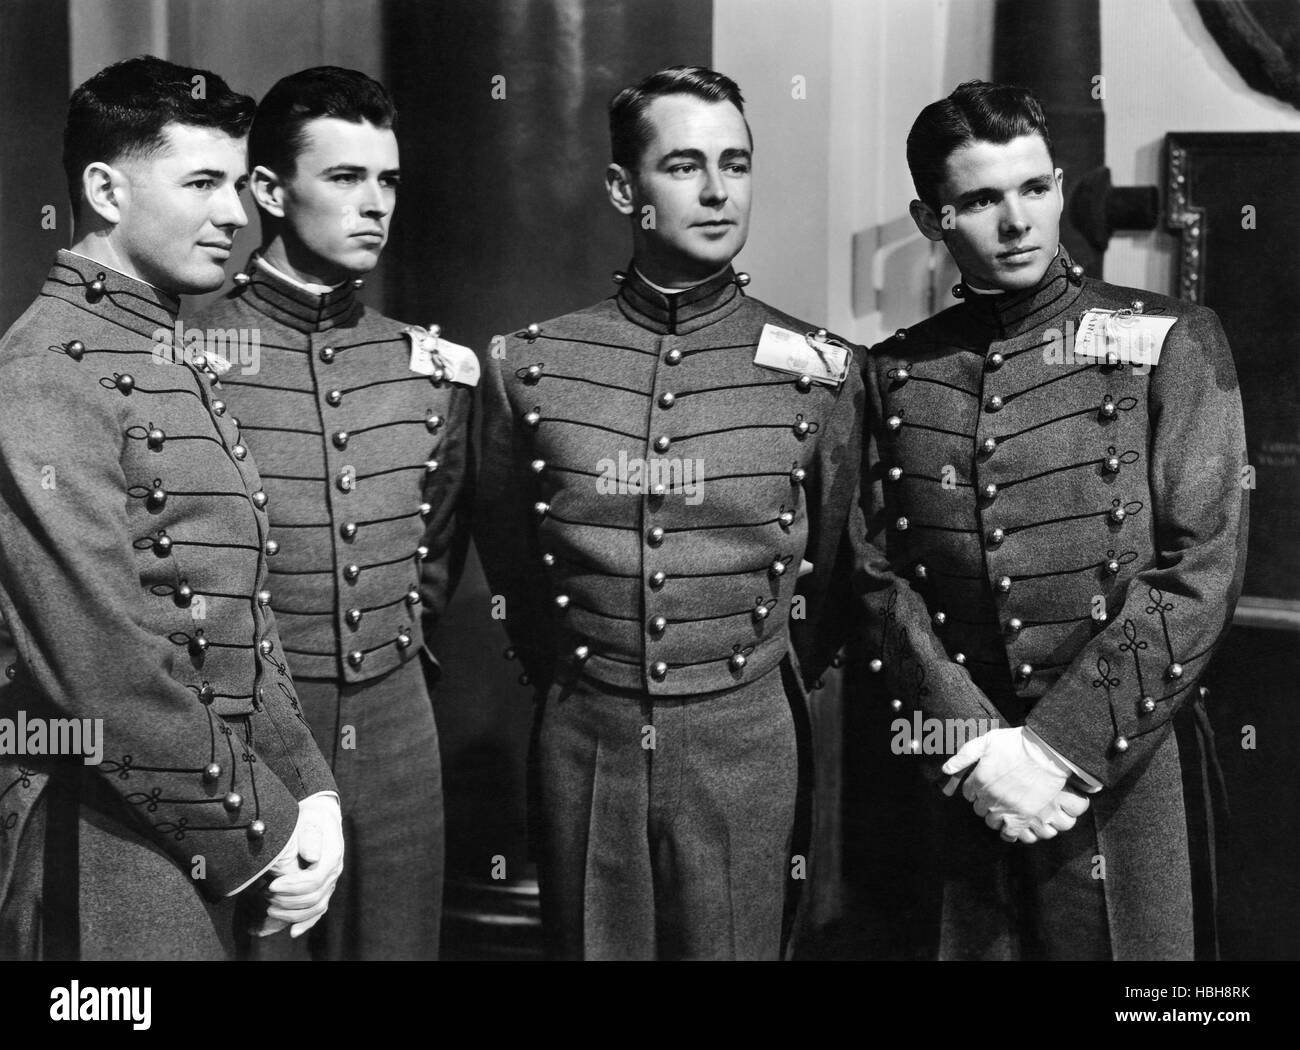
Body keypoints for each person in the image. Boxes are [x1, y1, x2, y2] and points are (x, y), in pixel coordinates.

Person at [476, 65, 863, 960]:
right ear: (625, 189)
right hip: (587, 736)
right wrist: (589, 675)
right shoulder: (529, 365)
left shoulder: (822, 372)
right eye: (685, 165)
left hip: (745, 743)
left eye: (737, 163)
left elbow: (840, 576)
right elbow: (515, 567)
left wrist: (740, 678)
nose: (719, 191)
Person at [857, 79, 1248, 959]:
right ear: (930, 219)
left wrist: (1054, 752)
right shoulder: (896, 372)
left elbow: (1201, 569)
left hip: (1123, 755)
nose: (1017, 220)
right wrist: (977, 747)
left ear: (1061, 187)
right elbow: (876, 574)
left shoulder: (1172, 338)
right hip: (964, 772)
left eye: (1034, 188)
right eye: (981, 200)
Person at [0, 56, 342, 961]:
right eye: (202, 183)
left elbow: (237, 617)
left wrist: (309, 790)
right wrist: (263, 826)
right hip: (105, 842)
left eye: (237, 183)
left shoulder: (165, 348)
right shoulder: (43, 372)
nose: (236, 214)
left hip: (210, 825)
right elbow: (100, 665)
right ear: (105, 190)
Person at [189, 66, 472, 961]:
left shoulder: (430, 369)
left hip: (398, 726)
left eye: (387, 179)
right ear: (270, 192)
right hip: (245, 729)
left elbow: (436, 554)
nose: (375, 203)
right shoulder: (187, 355)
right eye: (345, 177)